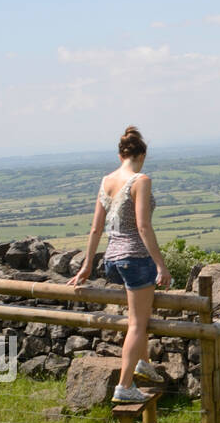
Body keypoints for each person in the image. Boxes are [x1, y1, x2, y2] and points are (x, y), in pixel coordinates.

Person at [67, 126, 171, 403]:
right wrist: (160, 265)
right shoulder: (140, 180)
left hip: (111, 261)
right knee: (137, 324)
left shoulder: (106, 180)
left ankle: (143, 363)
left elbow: (95, 229)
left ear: (120, 153)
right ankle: (124, 387)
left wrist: (87, 265)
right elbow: (143, 226)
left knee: (140, 317)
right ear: (143, 154)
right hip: (135, 259)